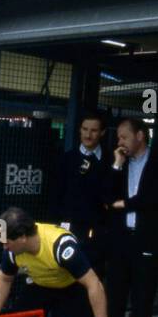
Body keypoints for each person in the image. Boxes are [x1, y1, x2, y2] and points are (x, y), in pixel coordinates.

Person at [0, 206, 119, 317]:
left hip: (70, 287)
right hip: (39, 285)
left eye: (7, 242)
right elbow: (4, 280)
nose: (4, 247)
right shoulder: (11, 252)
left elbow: (93, 284)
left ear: (22, 237)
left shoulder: (61, 246)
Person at [103, 117, 158, 317]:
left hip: (147, 240)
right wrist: (116, 165)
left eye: (124, 136)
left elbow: (153, 200)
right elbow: (106, 198)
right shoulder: (119, 163)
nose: (119, 141)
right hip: (120, 241)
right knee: (115, 299)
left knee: (142, 302)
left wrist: (122, 204)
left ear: (140, 136)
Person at [56, 110, 110, 277]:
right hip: (70, 229)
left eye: (93, 130)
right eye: (85, 129)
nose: (88, 135)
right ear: (79, 129)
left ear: (102, 132)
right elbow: (57, 195)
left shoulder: (111, 160)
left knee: (95, 276)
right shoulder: (66, 159)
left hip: (99, 234)